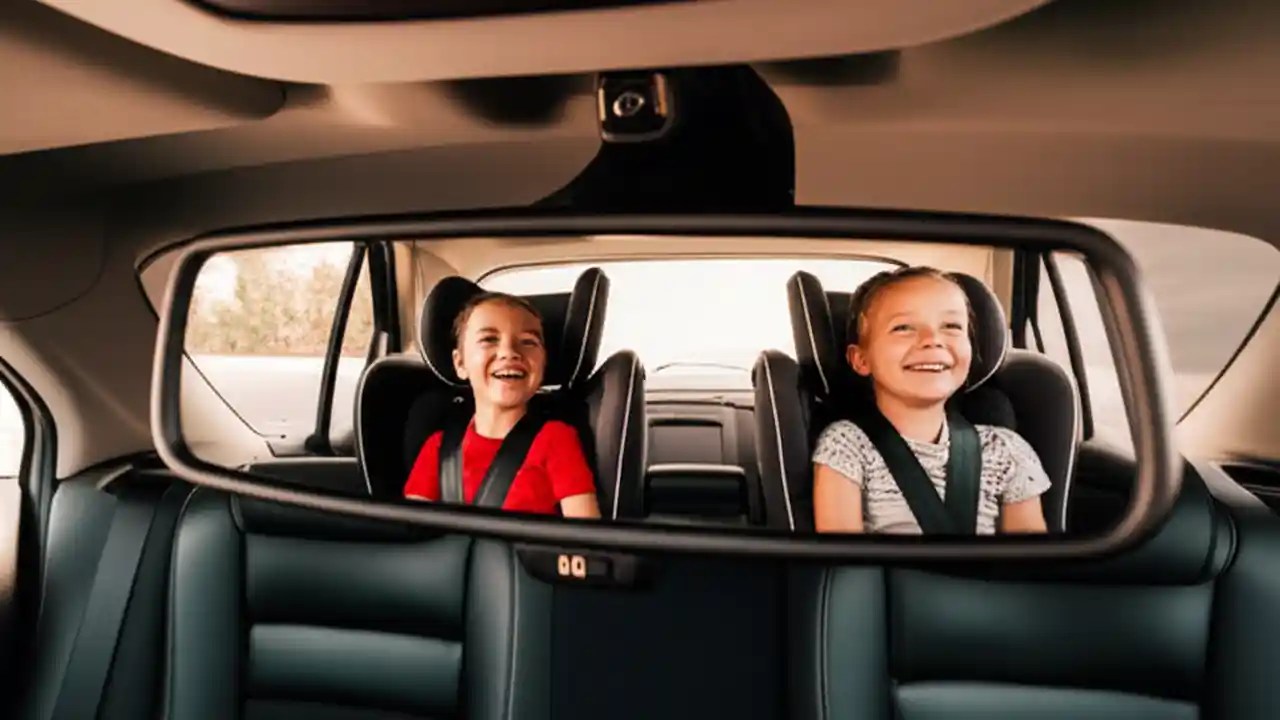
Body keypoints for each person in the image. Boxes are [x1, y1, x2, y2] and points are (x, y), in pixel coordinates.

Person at [812, 266, 1049, 535]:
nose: (932, 340)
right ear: (861, 359)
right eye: (903, 328)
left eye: (951, 326)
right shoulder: (847, 446)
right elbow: (844, 564)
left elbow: (1030, 565)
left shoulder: (1007, 451)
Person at [403, 292, 602, 519]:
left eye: (528, 342)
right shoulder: (439, 448)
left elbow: (585, 537)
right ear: (460, 363)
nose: (509, 352)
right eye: (489, 339)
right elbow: (414, 533)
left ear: (544, 363)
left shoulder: (556, 439)